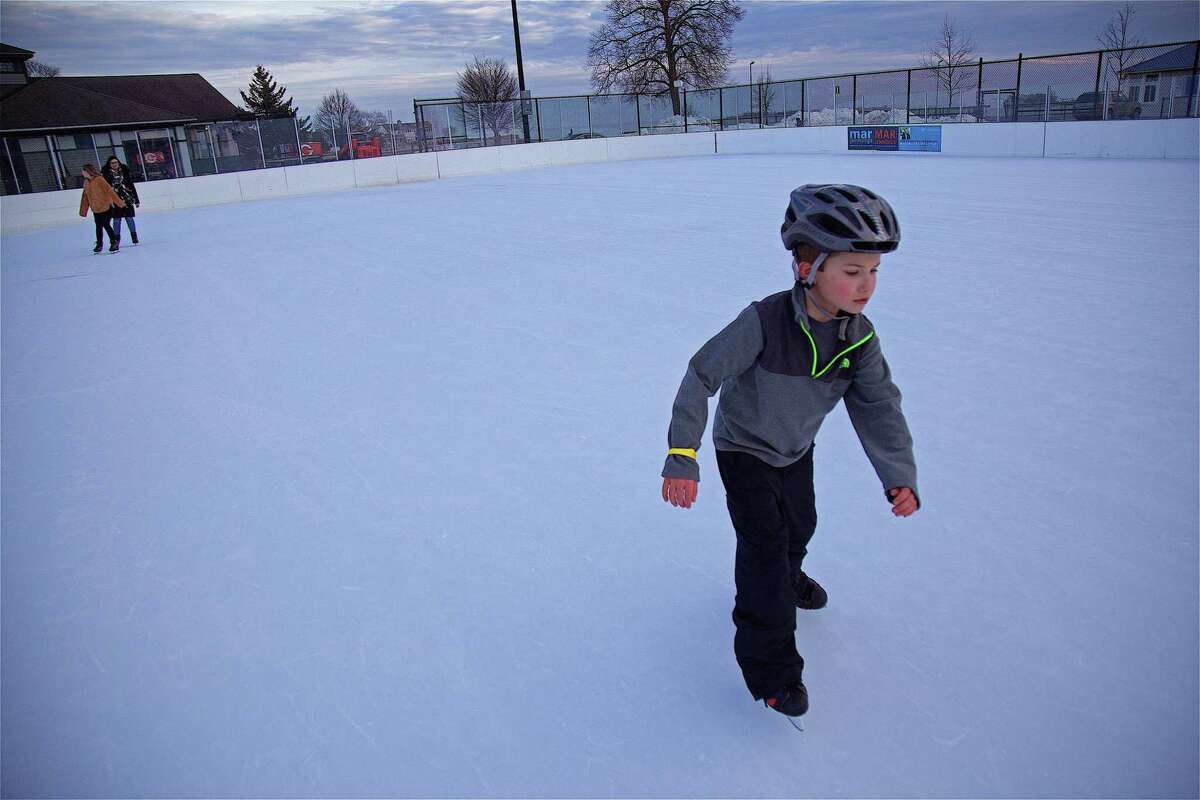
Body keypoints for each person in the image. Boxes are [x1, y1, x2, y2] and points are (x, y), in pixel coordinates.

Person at [660, 184, 920, 719]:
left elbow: (879, 408)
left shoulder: (859, 341)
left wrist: (898, 474)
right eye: (851, 271)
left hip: (794, 448)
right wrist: (682, 455)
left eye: (872, 271)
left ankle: (787, 574)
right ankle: (771, 669)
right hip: (743, 448)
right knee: (764, 547)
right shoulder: (764, 321)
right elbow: (700, 374)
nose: (866, 285)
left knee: (800, 527)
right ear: (807, 266)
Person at [78, 164, 125, 253]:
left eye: (83, 171)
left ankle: (114, 242)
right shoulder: (86, 182)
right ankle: (99, 244)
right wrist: (83, 211)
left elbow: (109, 191)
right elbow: (85, 197)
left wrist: (119, 203)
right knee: (98, 226)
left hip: (106, 206)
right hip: (96, 208)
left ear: (87, 171)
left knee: (105, 224)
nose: (82, 173)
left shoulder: (99, 179)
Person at [101, 156, 140, 245]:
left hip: (127, 198)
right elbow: (105, 189)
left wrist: (136, 199)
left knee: (129, 218)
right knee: (116, 219)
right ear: (109, 164)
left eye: (116, 162)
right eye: (112, 163)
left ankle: (134, 237)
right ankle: (116, 239)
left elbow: (131, 185)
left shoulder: (125, 173)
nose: (114, 164)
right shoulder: (106, 175)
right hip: (114, 199)